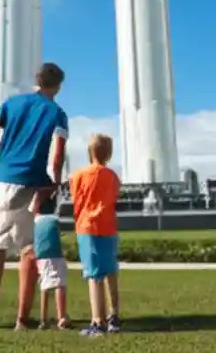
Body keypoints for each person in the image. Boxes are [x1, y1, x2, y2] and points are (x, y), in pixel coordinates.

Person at [0, 62, 69, 331]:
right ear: (58, 85)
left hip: (3, 181)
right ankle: (21, 318)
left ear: (37, 79)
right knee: (28, 251)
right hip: (31, 182)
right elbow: (58, 152)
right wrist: (54, 182)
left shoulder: (12, 102)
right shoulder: (57, 113)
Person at [69, 133, 122, 337]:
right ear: (109, 153)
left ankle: (97, 321)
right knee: (110, 272)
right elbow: (115, 195)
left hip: (87, 227)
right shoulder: (112, 176)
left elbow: (76, 199)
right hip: (108, 227)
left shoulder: (78, 175)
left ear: (89, 152)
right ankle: (114, 316)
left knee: (93, 275)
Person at [33, 192, 72, 330]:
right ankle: (61, 317)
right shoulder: (55, 219)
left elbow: (34, 208)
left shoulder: (36, 220)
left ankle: (43, 318)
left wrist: (38, 196)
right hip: (55, 254)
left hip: (41, 256)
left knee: (44, 285)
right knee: (59, 284)